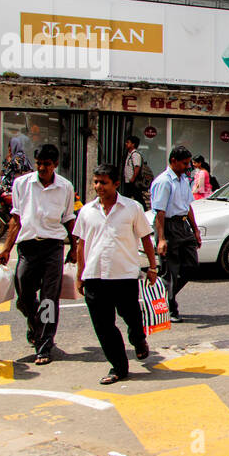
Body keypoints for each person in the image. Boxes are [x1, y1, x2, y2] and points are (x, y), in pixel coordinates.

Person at [74, 164, 160, 385]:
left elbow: (145, 238)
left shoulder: (132, 208)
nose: (98, 186)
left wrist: (152, 267)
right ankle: (119, 367)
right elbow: (81, 245)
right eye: (95, 182)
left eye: (103, 182)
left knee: (132, 316)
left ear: (116, 184)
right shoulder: (86, 211)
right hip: (94, 276)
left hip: (124, 276)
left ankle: (139, 340)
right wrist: (79, 274)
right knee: (103, 326)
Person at [0, 144, 76, 365]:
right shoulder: (22, 184)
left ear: (55, 165)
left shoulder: (65, 187)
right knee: (24, 294)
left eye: (46, 165)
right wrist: (6, 249)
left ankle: (44, 344)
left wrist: (74, 249)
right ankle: (35, 325)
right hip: (28, 247)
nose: (42, 168)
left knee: (49, 299)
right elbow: (16, 220)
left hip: (53, 248)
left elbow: (69, 219)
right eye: (39, 164)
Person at [151, 145, 201, 323]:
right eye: (184, 163)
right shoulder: (163, 181)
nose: (187, 167)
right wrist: (162, 238)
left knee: (191, 266)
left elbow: (188, 206)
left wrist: (195, 230)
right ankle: (170, 307)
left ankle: (164, 296)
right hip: (168, 226)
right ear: (173, 161)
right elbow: (160, 212)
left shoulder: (183, 180)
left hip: (183, 226)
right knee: (169, 271)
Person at [121, 135, 147, 203]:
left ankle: (144, 211)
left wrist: (133, 178)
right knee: (130, 197)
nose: (126, 144)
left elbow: (137, 167)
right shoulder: (129, 154)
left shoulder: (135, 154)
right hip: (129, 180)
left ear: (133, 144)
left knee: (137, 197)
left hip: (133, 181)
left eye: (128, 142)